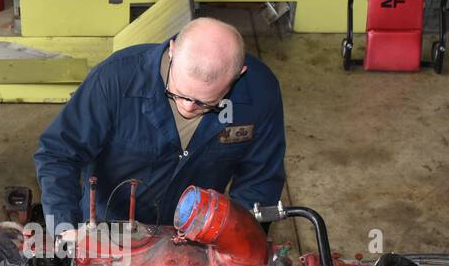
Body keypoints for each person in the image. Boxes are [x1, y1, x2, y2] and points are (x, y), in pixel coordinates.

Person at [33, 17, 285, 234]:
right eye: (178, 94)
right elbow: (58, 153)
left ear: (238, 74)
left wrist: (241, 242)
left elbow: (260, 181)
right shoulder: (116, 80)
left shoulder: (260, 93)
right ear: (172, 50)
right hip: (108, 232)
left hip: (195, 239)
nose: (187, 107)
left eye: (205, 103)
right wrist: (64, 228)